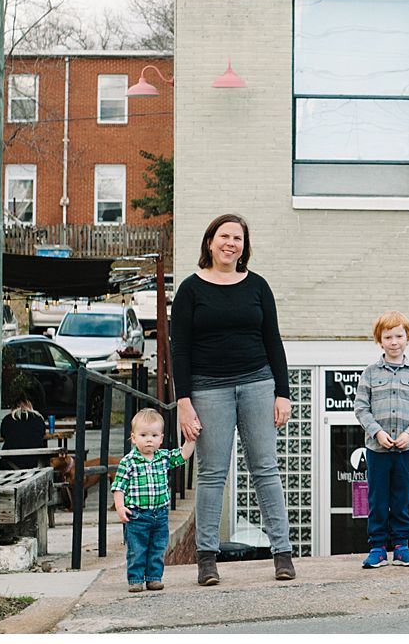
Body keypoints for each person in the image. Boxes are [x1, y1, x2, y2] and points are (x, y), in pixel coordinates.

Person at [170, 213, 297, 586]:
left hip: (258, 383)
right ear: (210, 242)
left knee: (265, 469)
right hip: (208, 389)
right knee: (211, 473)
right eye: (224, 236)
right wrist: (183, 401)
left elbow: (273, 341)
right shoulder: (191, 290)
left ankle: (283, 554)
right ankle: (207, 560)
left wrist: (282, 393)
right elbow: (181, 350)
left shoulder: (257, 286)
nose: (230, 243)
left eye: (238, 238)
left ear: (244, 246)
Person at [353, 311, 409, 569]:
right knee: (377, 498)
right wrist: (377, 432)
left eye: (399, 336)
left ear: (407, 338)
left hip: (406, 448)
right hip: (377, 448)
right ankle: (377, 547)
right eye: (388, 337)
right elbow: (361, 408)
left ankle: (401, 547)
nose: (394, 341)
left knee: (401, 497)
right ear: (380, 340)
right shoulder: (370, 373)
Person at [111, 407, 195, 592]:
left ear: (161, 439)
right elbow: (119, 486)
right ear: (133, 438)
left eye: (154, 435)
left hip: (160, 514)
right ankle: (135, 579)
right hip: (137, 515)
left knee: (157, 548)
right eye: (143, 435)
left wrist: (191, 440)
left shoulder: (163, 457)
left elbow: (182, 455)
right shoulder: (129, 461)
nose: (149, 439)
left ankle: (154, 578)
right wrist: (120, 506)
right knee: (137, 549)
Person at [0, 376, 49, 471]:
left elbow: (3, 436)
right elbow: (42, 435)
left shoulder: (8, 419)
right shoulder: (38, 419)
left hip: (9, 466)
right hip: (33, 465)